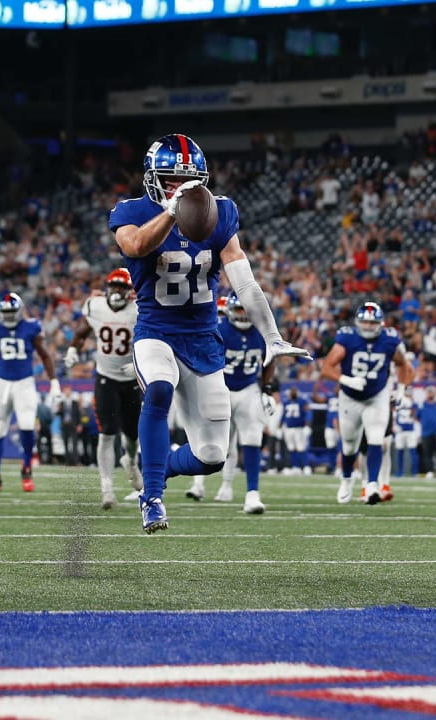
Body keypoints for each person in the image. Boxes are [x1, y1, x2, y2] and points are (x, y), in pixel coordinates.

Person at [109, 133, 309, 533]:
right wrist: (170, 209)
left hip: (203, 337)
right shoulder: (131, 211)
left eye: (188, 180)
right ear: (153, 178)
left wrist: (272, 336)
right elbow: (133, 246)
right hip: (157, 331)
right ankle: (152, 498)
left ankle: (156, 469)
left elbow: (245, 282)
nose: (180, 187)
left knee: (213, 456)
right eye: (170, 179)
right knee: (160, 388)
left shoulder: (221, 213)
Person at [0, 292, 62, 492]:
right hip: (1, 383)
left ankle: (26, 470)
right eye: (5, 312)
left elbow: (44, 355)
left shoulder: (31, 327)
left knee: (26, 426)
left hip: (24, 383)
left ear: (19, 311)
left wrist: (54, 381)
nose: (8, 317)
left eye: (11, 312)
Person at [318, 301, 414, 505]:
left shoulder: (389, 340)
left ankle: (372, 484)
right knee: (350, 446)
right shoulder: (347, 338)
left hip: (377, 395)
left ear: (380, 323)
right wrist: (345, 379)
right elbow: (326, 367)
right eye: (365, 322)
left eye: (373, 322)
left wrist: (402, 390)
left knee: (376, 438)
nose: (369, 326)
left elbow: (405, 366)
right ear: (358, 322)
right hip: (350, 397)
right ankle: (346, 480)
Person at [65, 268, 143, 509]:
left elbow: (153, 338)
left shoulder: (139, 309)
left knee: (132, 435)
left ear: (130, 291)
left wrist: (139, 362)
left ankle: (130, 461)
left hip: (131, 381)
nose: (117, 290)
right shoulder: (96, 306)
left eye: (122, 287)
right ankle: (106, 488)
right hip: (105, 379)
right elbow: (83, 330)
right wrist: (73, 348)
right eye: (114, 285)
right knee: (107, 432)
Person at [192, 291, 276, 512]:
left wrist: (267, 389)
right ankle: (197, 483)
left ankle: (252, 494)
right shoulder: (219, 329)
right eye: (239, 309)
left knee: (253, 437)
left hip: (248, 388)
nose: (244, 314)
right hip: (222, 388)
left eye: (246, 309)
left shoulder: (261, 329)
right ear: (230, 310)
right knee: (214, 445)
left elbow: (270, 359)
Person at [281, 386, 311, 476]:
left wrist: (307, 425)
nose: (292, 393)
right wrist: (280, 426)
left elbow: (308, 413)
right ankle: (296, 467)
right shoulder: (286, 402)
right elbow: (284, 415)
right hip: (289, 428)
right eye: (291, 391)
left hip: (299, 428)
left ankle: (306, 467)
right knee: (291, 448)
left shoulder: (302, 401)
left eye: (294, 391)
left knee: (301, 448)